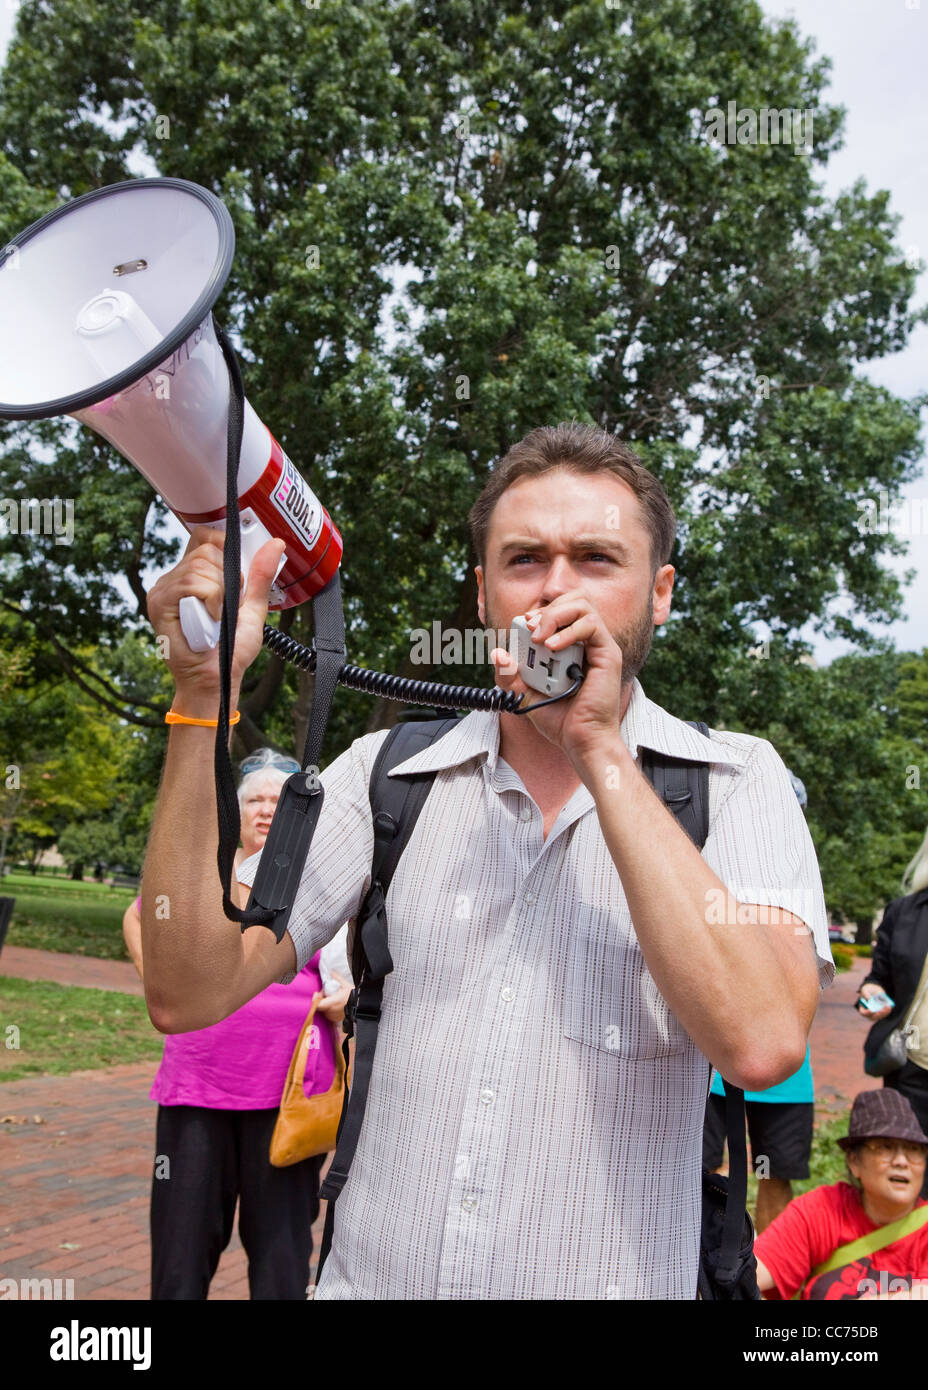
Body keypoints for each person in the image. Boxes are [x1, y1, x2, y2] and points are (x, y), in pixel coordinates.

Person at [141, 421, 833, 1299]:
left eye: (595, 559)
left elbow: (764, 1041)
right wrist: (201, 698)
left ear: (658, 594)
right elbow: (187, 987)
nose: (555, 590)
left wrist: (600, 750)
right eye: (523, 560)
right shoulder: (384, 774)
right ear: (482, 595)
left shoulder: (736, 782)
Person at [123, 749, 352, 1300]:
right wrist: (158, 977)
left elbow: (350, 975)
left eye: (279, 800)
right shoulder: (207, 876)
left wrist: (343, 999)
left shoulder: (315, 883)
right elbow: (138, 915)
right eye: (255, 800)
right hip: (194, 1093)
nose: (267, 810)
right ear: (236, 811)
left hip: (289, 1103)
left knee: (281, 1262)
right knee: (180, 1259)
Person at [703, 771, 815, 1233]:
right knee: (705, 1166)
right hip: (712, 1055)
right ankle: (709, 1263)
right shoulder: (708, 867)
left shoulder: (804, 878)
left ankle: (770, 1269)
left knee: (778, 1169)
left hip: (786, 1062)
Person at [754, 1089, 928, 1300]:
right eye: (885, 1147)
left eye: (913, 1149)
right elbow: (750, 1274)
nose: (901, 1161)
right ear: (854, 1162)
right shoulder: (824, 1209)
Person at [856, 824, 928, 1191]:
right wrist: (871, 994)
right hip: (911, 1068)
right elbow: (878, 979)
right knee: (910, 1181)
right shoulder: (904, 912)